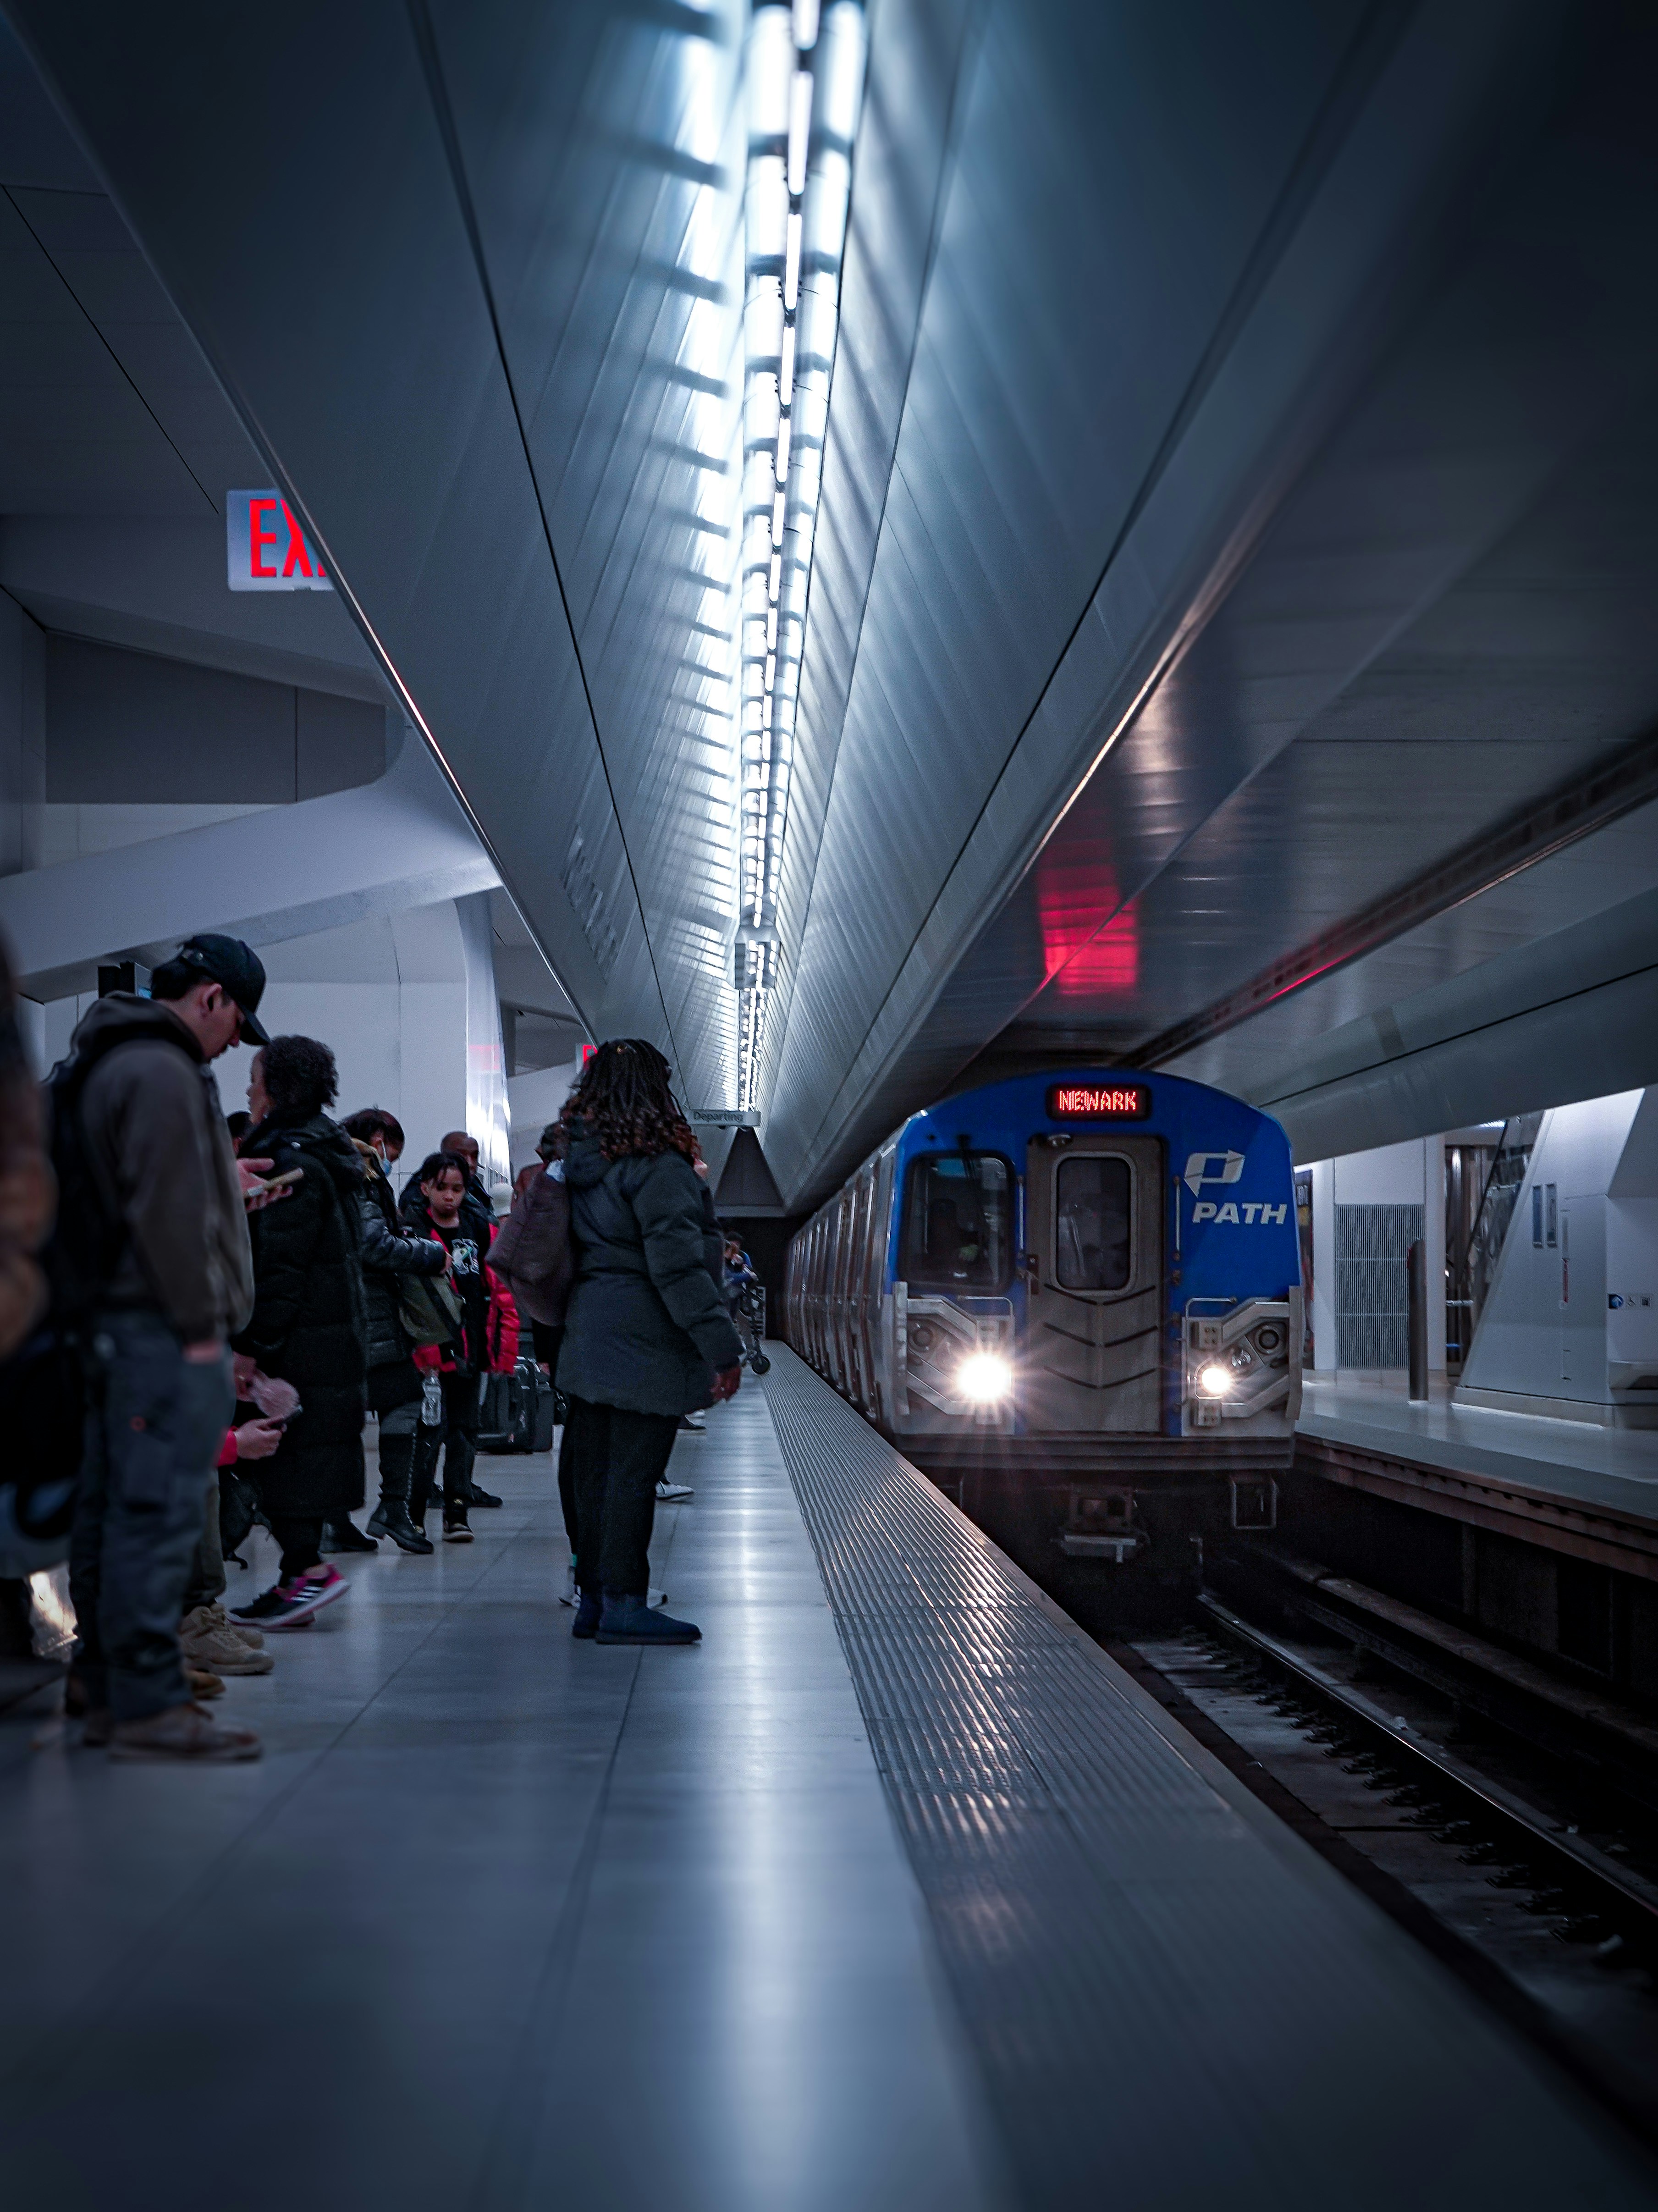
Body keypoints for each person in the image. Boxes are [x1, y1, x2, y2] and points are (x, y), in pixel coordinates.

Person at [57, 933, 267, 1761]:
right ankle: (145, 1702)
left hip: (105, 1325)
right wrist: (196, 1332)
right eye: (235, 1024)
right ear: (212, 998)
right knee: (154, 1512)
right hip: (152, 1328)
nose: (231, 1044)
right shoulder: (161, 1071)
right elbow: (168, 1215)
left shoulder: (98, 1061)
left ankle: (102, 1681)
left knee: (109, 1506)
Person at [556, 1040, 741, 1646]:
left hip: (588, 1332)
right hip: (645, 1340)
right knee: (632, 1476)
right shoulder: (658, 1169)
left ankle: (592, 1600)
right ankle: (625, 1603)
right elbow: (679, 1270)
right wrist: (722, 1347)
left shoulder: (578, 1164)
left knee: (590, 1474)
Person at [228, 1036, 369, 1631]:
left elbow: (277, 1269)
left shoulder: (289, 1162)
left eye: (255, 1080)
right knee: (298, 1458)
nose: (247, 1091)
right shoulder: (324, 1148)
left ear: (279, 1087)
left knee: (283, 1457)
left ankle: (307, 1572)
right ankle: (298, 1575)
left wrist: (250, 1346)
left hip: (295, 1344)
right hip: (325, 1338)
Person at [341, 1106, 447, 1555]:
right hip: (368, 1313)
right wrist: (425, 1251)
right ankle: (392, 1508)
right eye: (391, 1151)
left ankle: (337, 1521)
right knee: (402, 1401)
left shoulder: (337, 1168)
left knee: (341, 1417)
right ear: (378, 1137)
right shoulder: (359, 1174)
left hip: (353, 1312)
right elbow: (372, 1244)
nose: (389, 1161)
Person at [406, 1151, 518, 1541]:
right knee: (426, 1435)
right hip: (428, 1355)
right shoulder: (411, 1231)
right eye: (442, 1188)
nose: (450, 1196)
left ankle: (458, 1511)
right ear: (425, 1188)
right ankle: (414, 1516)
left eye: (457, 1188)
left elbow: (500, 1292)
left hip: (470, 1351)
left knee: (464, 1432)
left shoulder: (481, 1228)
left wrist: (502, 1352)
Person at [490, 1122, 579, 1587]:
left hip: (560, 1325)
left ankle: (582, 1560)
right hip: (578, 1326)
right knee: (591, 1447)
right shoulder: (558, 1184)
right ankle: (589, 1564)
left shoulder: (541, 1182)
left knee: (580, 1446)